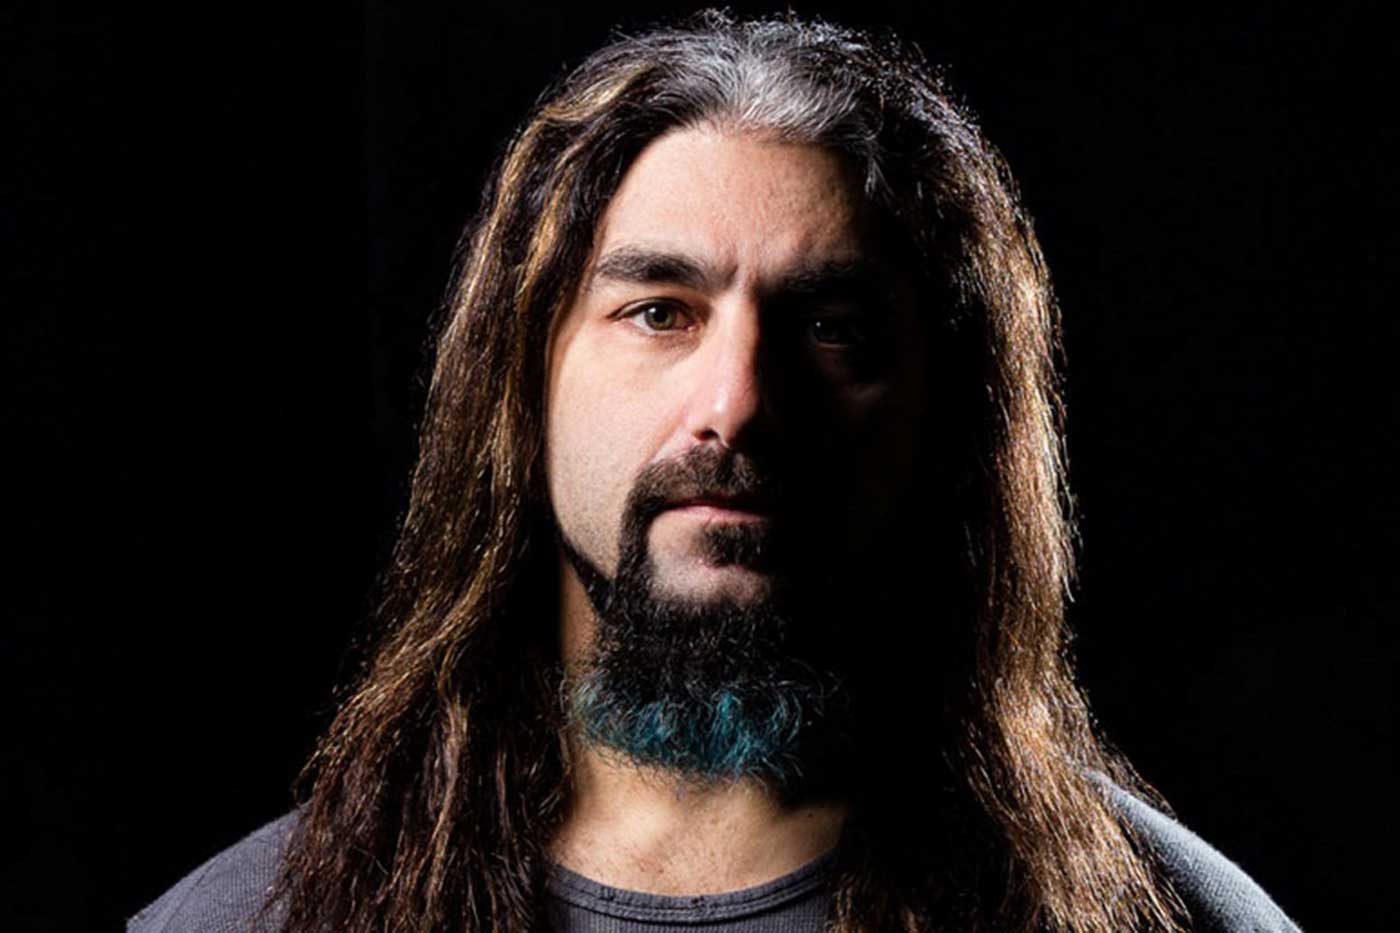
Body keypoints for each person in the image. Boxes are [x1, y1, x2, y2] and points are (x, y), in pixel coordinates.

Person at [129, 11, 1301, 933]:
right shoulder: (243, 921)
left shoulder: (1163, 918)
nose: (736, 404)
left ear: (942, 417)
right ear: (521, 386)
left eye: (830, 329)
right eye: (658, 311)